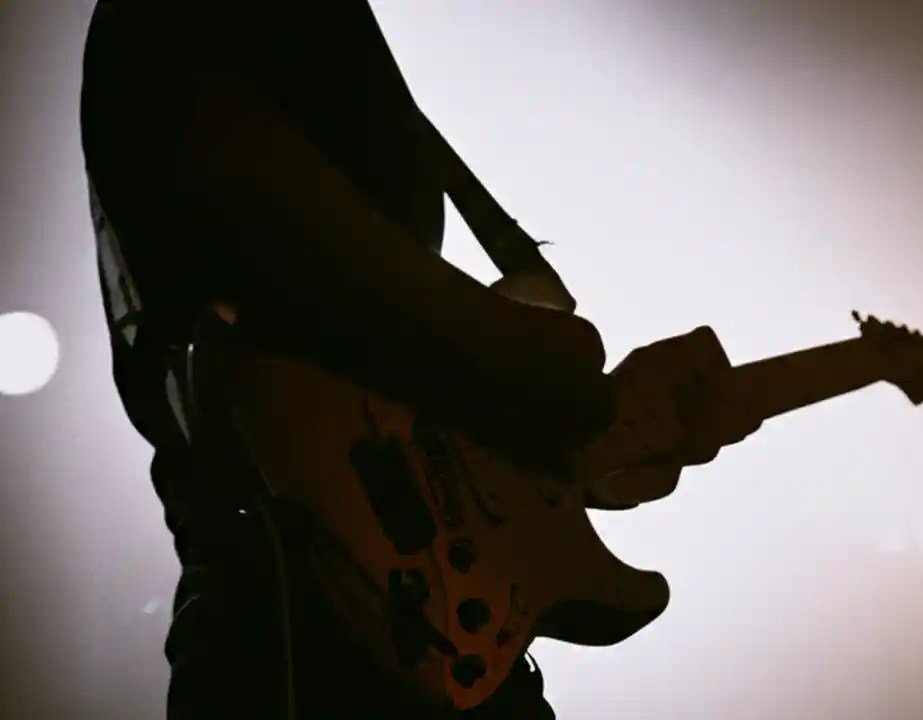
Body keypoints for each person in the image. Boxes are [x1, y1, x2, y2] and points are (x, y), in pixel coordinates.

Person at [80, 1, 757, 717]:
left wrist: (607, 450)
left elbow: (387, 380)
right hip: (302, 625)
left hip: (435, 636)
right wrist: (503, 337)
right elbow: (221, 156)